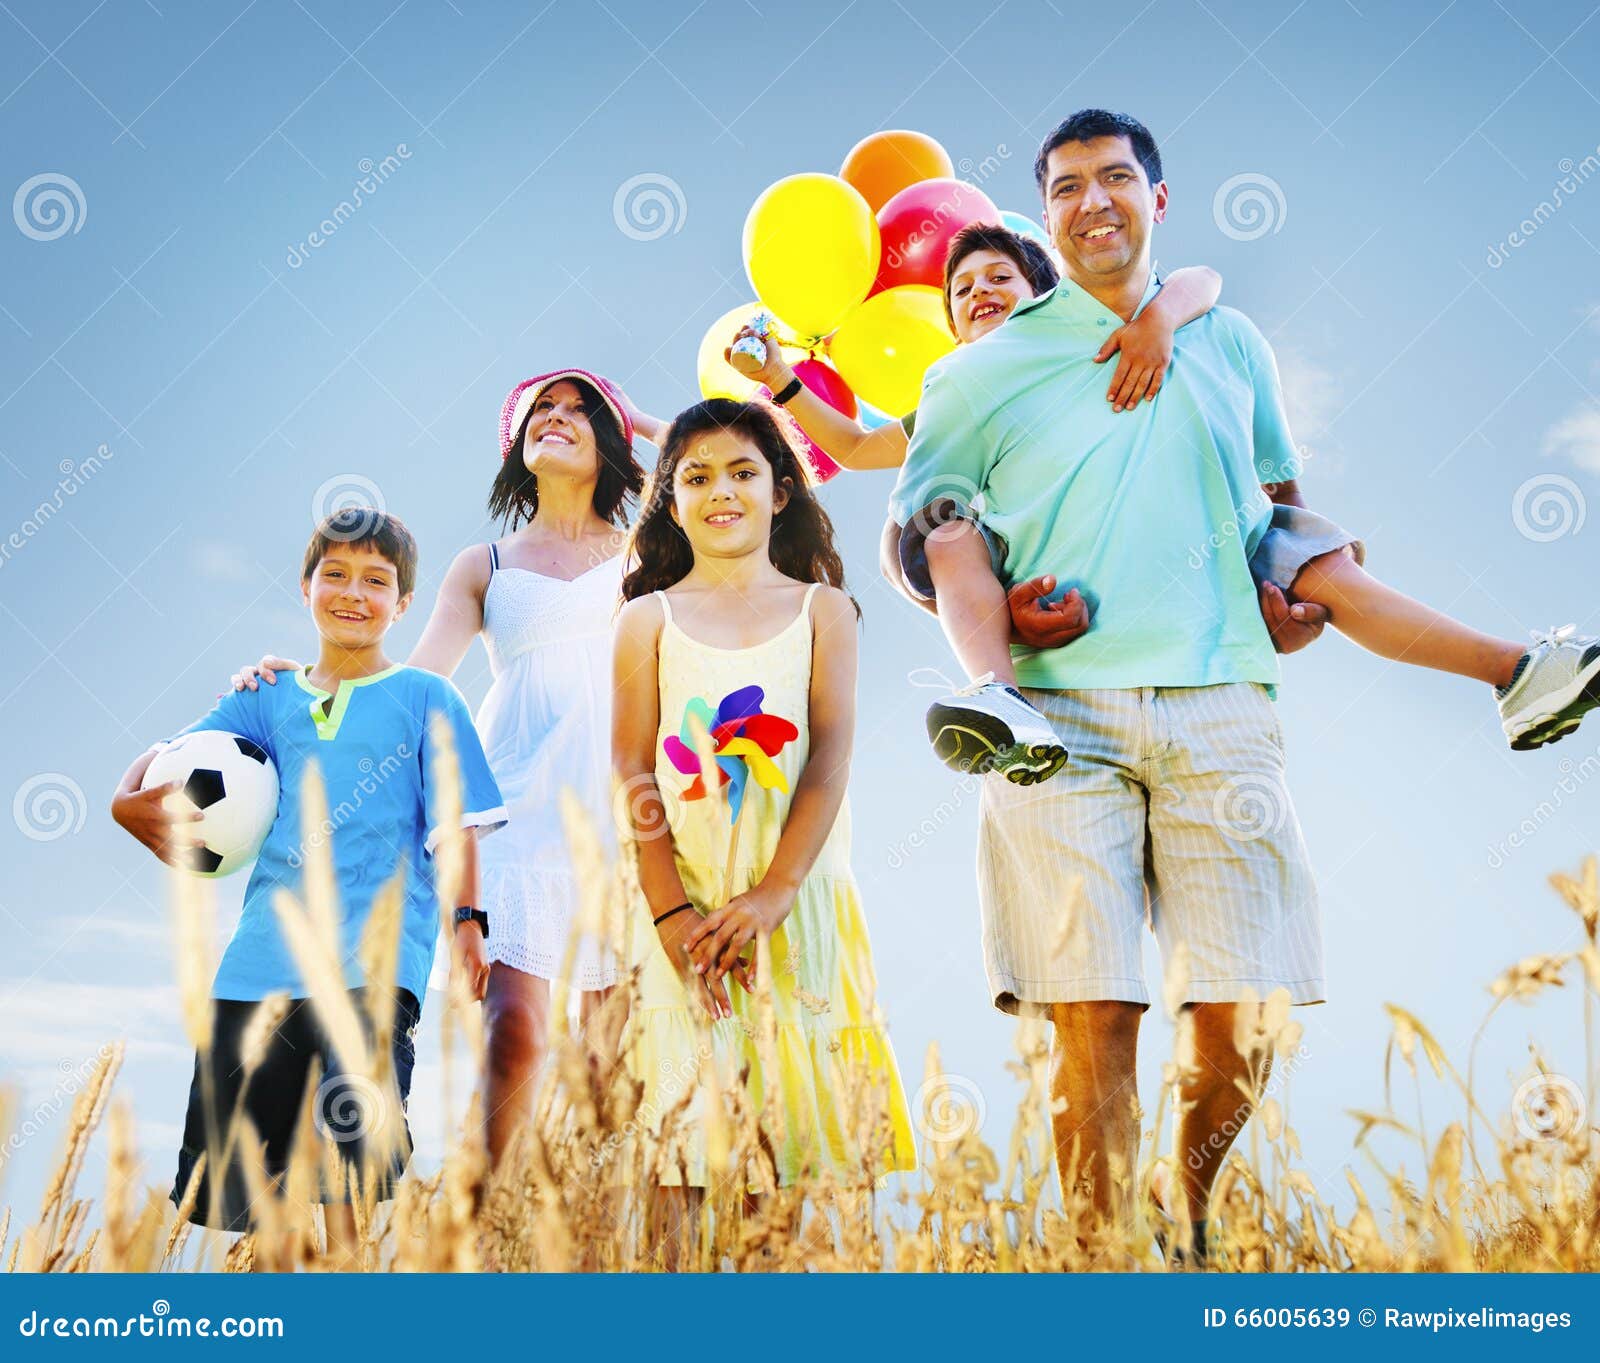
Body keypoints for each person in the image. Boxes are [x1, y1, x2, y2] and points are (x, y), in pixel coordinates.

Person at [229, 370, 663, 1168]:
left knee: (610, 1059)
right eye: (542, 409)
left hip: (628, 817)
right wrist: (311, 681)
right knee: (516, 1036)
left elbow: (747, 461)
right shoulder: (485, 562)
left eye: (579, 409)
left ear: (613, 439)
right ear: (515, 442)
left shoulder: (649, 550)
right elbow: (414, 685)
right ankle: (488, 1233)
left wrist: (640, 418)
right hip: (517, 812)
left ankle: (593, 1242)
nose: (556, 417)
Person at [111, 508, 505, 1265]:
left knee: (346, 1184)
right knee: (259, 1197)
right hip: (258, 970)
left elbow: (456, 820)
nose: (353, 593)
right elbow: (175, 764)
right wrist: (123, 801)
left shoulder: (426, 696)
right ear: (304, 587)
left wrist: (466, 920)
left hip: (372, 971)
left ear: (404, 604)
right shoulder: (266, 697)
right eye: (336, 574)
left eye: (376, 580)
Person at [729, 224, 1226, 782]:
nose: (979, 292)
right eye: (962, 291)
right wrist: (778, 375)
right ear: (956, 332)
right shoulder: (961, 395)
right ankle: (1004, 700)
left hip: (1088, 575)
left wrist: (1158, 319)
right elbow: (857, 446)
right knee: (948, 533)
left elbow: (1203, 278)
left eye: (998, 278)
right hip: (981, 551)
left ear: (1048, 298)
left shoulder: (1094, 349)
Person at [611, 397, 915, 1253]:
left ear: (782, 491)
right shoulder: (647, 619)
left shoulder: (824, 611)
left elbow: (828, 756)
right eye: (696, 476)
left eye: (743, 472)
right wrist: (672, 914)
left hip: (794, 909)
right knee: (682, 1151)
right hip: (685, 916)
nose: (722, 491)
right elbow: (633, 770)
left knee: (784, 1159)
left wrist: (775, 892)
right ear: (671, 501)